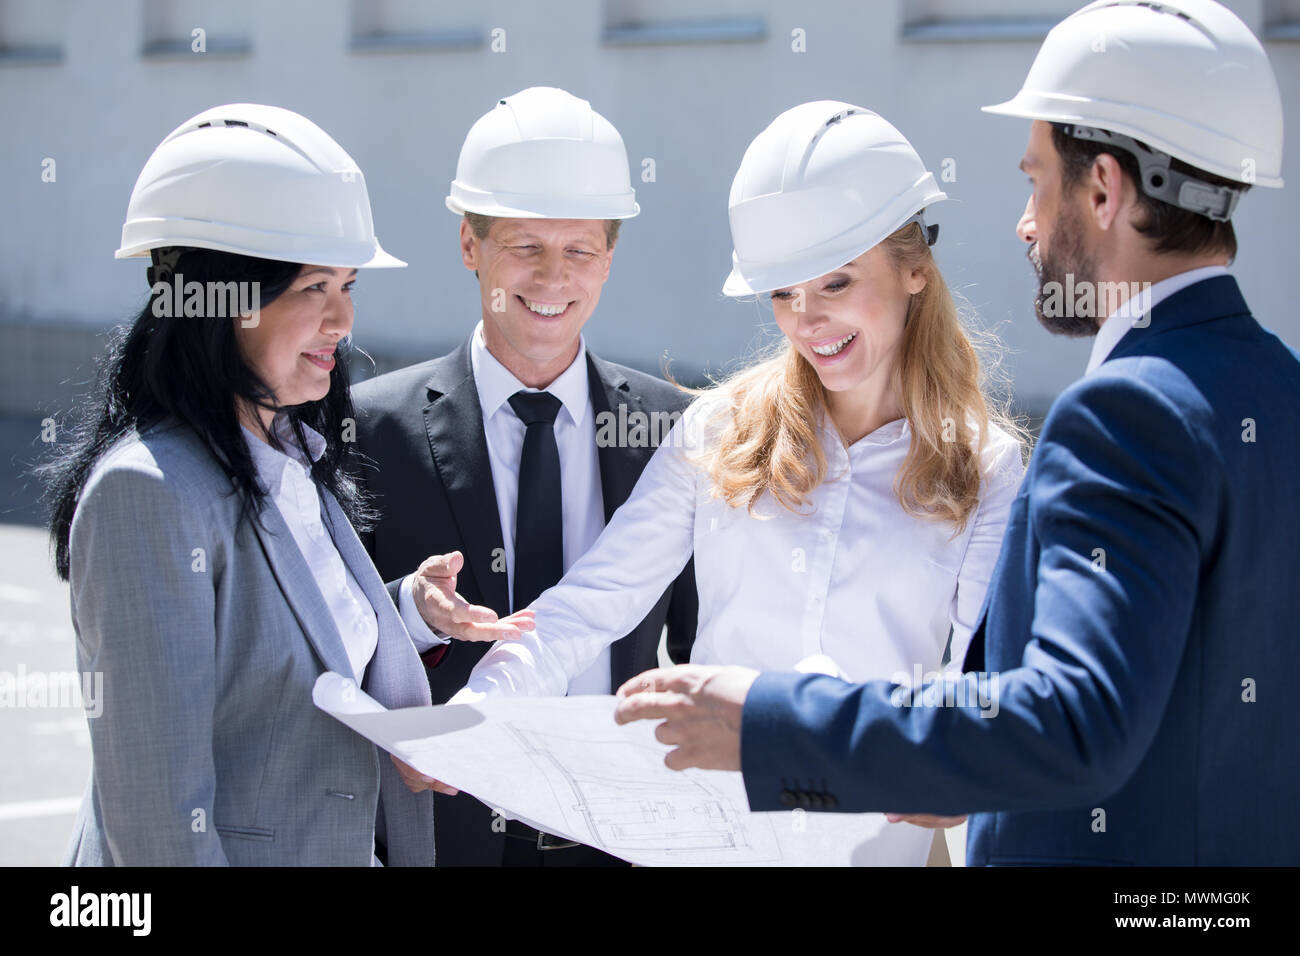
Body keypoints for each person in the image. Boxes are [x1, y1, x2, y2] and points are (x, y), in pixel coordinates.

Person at [614, 0, 1300, 866]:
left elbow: (1071, 721)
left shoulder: (1126, 415)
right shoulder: (1283, 392)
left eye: (1035, 181)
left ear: (1102, 189)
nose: (1025, 222)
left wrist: (773, 722)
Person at [449, 102, 1027, 866]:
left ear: (914, 268)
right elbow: (590, 605)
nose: (807, 319)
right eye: (783, 293)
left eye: (835, 282)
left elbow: (974, 705)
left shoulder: (986, 468)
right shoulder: (720, 431)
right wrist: (473, 712)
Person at [43, 104, 437, 866]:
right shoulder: (149, 495)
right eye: (315, 287)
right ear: (220, 302)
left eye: (349, 285)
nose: (344, 320)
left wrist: (407, 613)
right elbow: (159, 825)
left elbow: (279, 645)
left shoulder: (287, 449)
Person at [350, 87, 699, 867]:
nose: (551, 278)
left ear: (610, 258)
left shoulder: (674, 430)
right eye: (524, 247)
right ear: (469, 244)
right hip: (444, 838)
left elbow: (708, 641)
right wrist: (412, 612)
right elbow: (333, 650)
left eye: (578, 250)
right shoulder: (367, 429)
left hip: (621, 838)